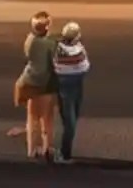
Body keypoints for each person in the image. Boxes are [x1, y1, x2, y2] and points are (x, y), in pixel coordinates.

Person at [15, 12, 59, 161]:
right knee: (47, 117)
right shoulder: (50, 43)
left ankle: (31, 149)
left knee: (32, 116)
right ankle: (48, 147)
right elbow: (55, 60)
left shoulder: (29, 40)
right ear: (46, 27)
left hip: (29, 81)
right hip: (45, 83)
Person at [54, 21, 91, 163]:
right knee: (71, 121)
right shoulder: (77, 48)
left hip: (67, 83)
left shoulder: (59, 48)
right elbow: (86, 65)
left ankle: (64, 148)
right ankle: (64, 153)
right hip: (71, 84)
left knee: (70, 117)